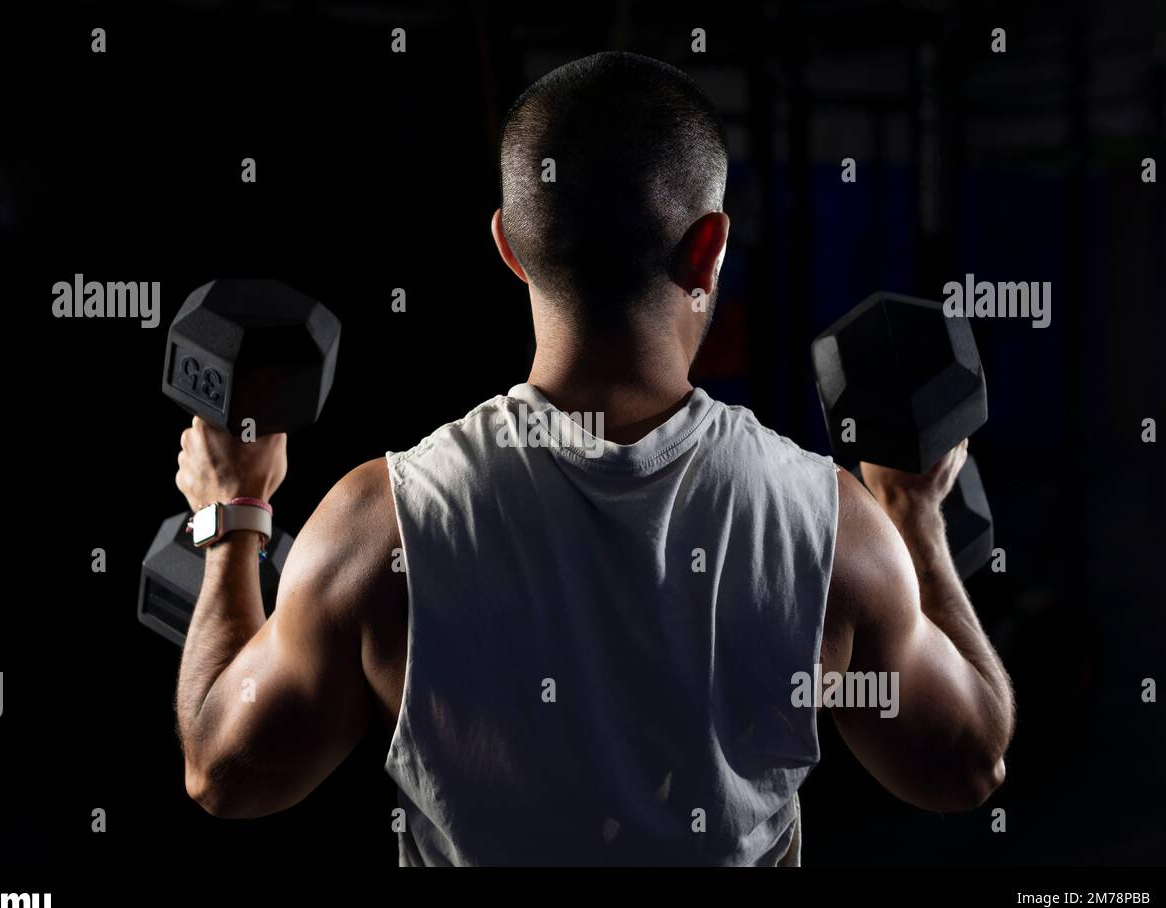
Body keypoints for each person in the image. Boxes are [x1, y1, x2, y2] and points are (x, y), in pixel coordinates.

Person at [171, 51, 1014, 866]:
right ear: (708, 248)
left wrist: (231, 514)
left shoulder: (376, 524)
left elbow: (226, 776)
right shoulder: (833, 529)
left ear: (508, 246)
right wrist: (916, 523)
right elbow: (967, 768)